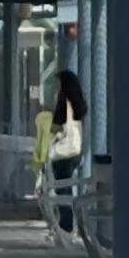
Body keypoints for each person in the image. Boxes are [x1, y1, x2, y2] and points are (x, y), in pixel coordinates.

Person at [40, 69, 91, 230]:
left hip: (63, 153)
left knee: (62, 190)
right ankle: (68, 224)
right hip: (75, 151)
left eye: (58, 84)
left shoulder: (65, 102)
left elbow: (56, 127)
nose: (57, 88)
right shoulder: (78, 104)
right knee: (66, 189)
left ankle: (66, 225)